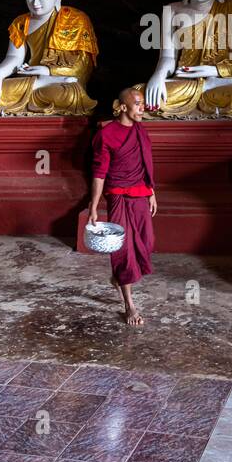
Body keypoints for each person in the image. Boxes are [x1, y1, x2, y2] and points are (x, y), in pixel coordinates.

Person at [87, 87, 157, 326]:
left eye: (143, 104)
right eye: (138, 104)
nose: (142, 108)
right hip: (117, 196)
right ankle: (129, 305)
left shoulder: (140, 131)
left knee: (146, 244)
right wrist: (94, 206)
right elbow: (99, 173)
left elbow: (146, 162)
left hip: (140, 195)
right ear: (124, 107)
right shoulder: (106, 135)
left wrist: (152, 192)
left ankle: (119, 277)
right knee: (123, 250)